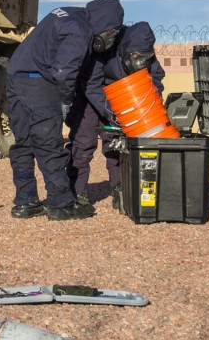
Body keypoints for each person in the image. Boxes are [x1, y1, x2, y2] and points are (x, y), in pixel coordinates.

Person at [6, 0, 125, 221]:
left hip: (15, 74)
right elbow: (63, 72)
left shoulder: (71, 15)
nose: (109, 41)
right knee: (49, 144)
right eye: (111, 35)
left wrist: (110, 111)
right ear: (107, 28)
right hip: (38, 81)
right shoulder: (81, 32)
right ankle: (61, 204)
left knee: (24, 142)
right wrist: (65, 101)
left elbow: (88, 81)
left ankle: (26, 201)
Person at [68, 21, 165, 213]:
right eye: (135, 57)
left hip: (122, 98)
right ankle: (77, 192)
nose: (138, 61)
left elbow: (155, 83)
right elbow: (92, 83)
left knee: (118, 144)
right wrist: (108, 110)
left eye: (143, 57)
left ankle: (120, 188)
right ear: (126, 50)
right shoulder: (109, 47)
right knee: (83, 143)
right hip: (91, 95)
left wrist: (149, 106)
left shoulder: (148, 56)